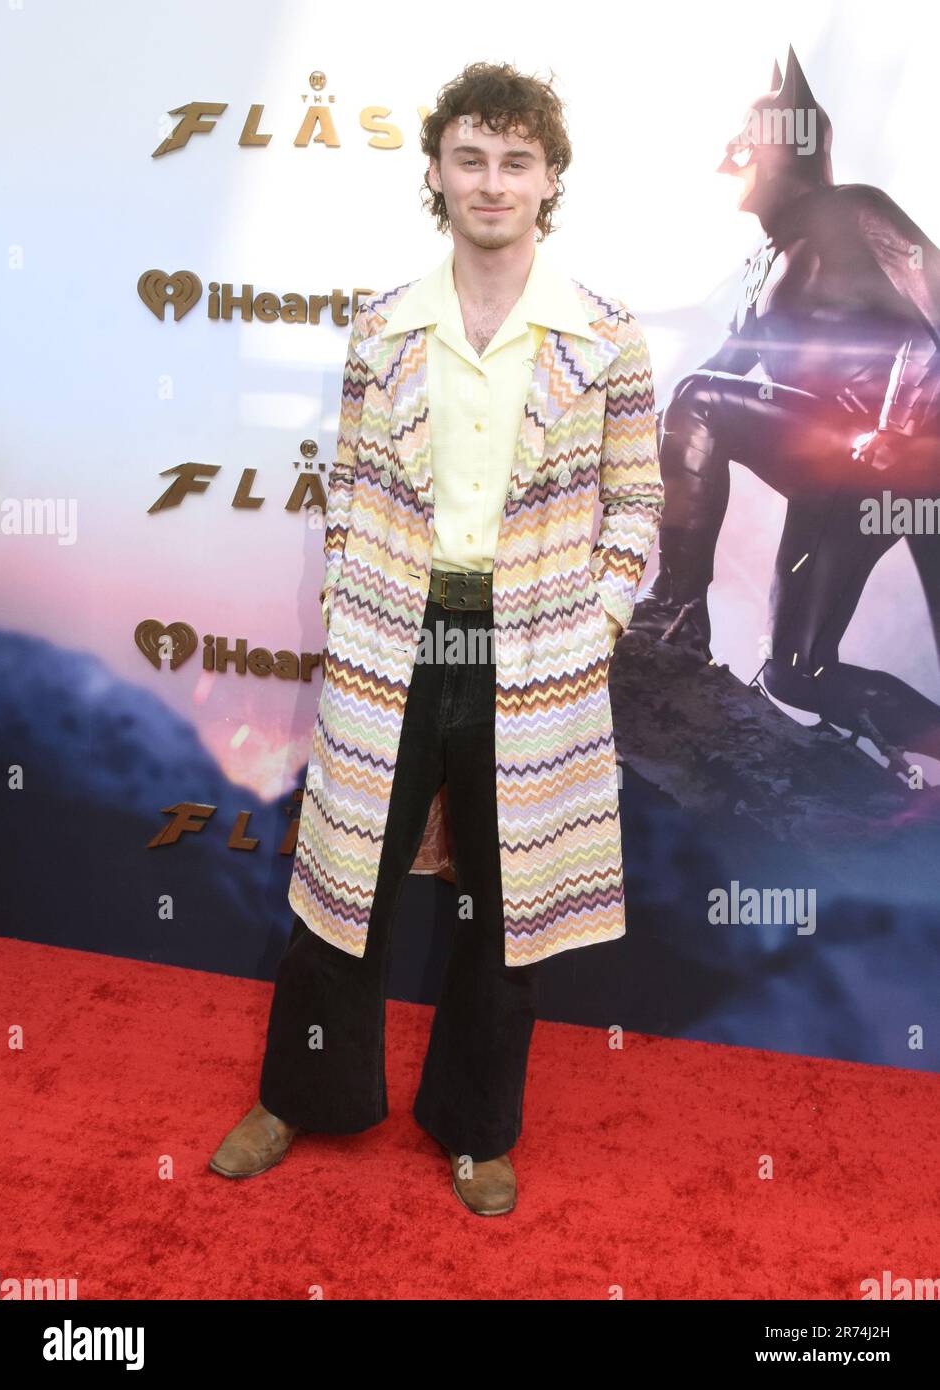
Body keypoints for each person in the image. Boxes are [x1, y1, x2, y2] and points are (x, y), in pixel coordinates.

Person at [210, 61, 663, 1216]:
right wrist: (347, 604)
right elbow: (351, 482)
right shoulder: (381, 329)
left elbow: (639, 503)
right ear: (436, 174)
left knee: (505, 908)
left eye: (516, 161)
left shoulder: (605, 337)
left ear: (547, 180)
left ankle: (476, 1128)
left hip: (533, 653)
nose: (492, 181)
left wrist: (596, 621)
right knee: (339, 880)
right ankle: (303, 1098)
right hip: (394, 638)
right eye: (471, 158)